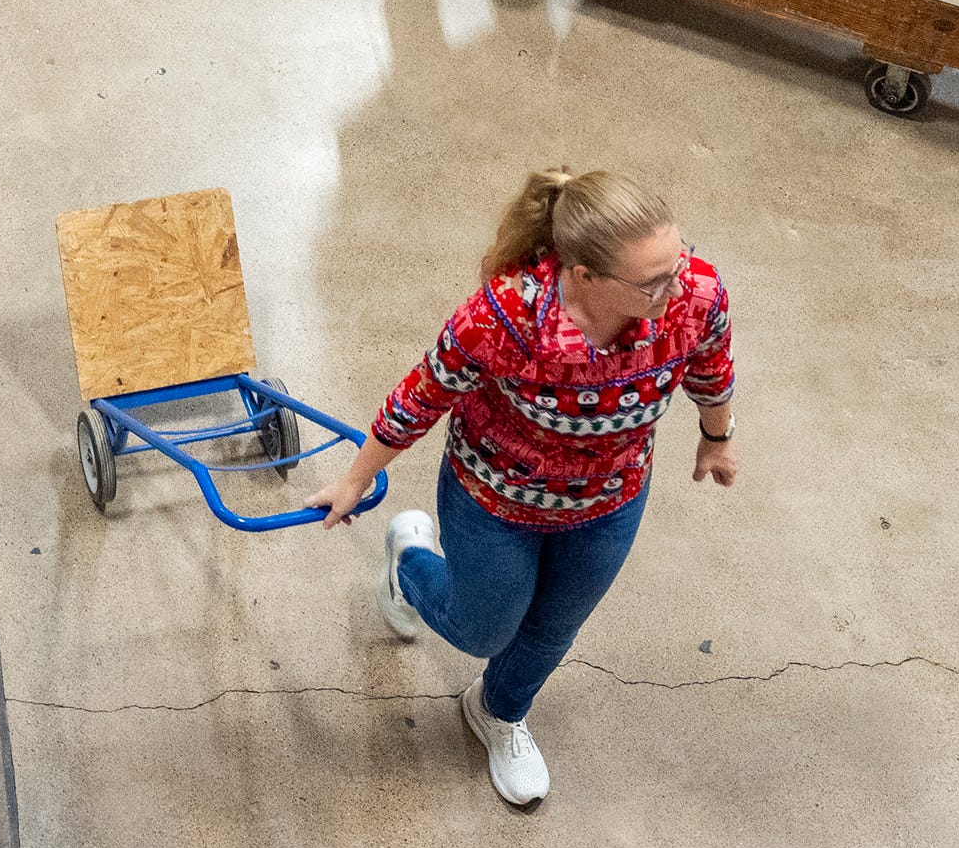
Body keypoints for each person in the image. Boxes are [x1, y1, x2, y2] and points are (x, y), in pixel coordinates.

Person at [307, 169, 739, 807]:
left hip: (609, 498)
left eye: (678, 263)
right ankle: (409, 561)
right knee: (481, 630)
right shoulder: (507, 314)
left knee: (551, 626)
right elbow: (423, 394)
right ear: (584, 273)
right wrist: (355, 478)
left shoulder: (694, 292)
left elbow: (711, 362)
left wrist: (717, 436)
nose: (676, 286)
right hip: (496, 499)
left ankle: (499, 711)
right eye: (653, 281)